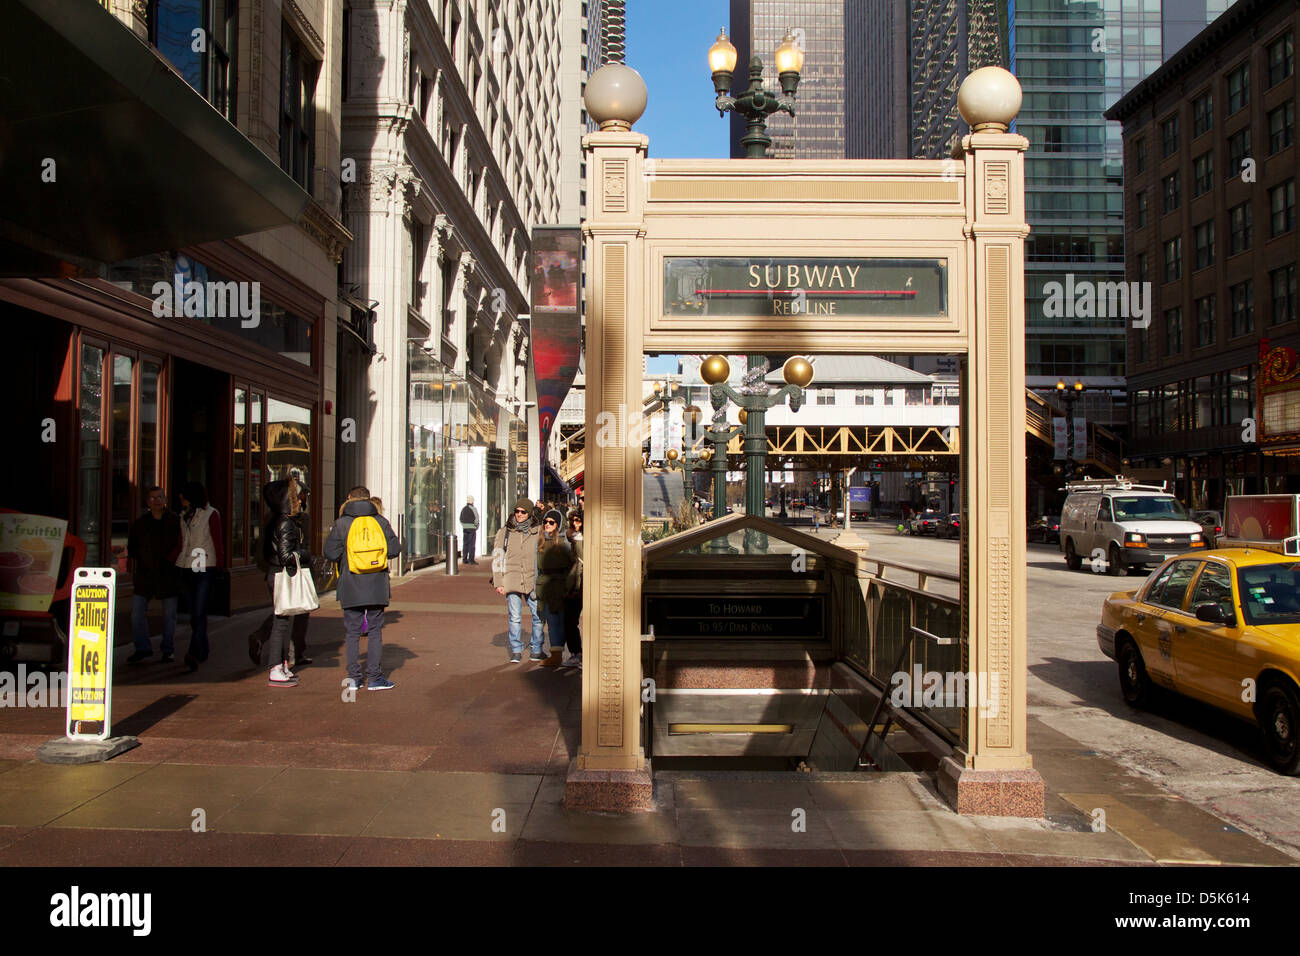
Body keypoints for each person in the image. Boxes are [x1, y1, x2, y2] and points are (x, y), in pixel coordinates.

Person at [324, 486, 402, 691]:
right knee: (375, 630)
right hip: (377, 584)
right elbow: (394, 550)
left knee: (352, 632)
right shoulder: (380, 521)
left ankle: (353, 678)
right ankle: (375, 678)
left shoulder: (342, 523)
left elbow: (330, 553)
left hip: (350, 583)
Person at [260, 477, 311, 686]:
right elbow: (285, 555)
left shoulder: (277, 519)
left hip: (277, 573)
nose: (299, 501)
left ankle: (281, 665)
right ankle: (275, 666)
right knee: (281, 622)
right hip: (281, 574)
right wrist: (305, 555)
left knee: (282, 620)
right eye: (295, 498)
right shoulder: (285, 522)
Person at [127, 486, 182, 664]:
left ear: (165, 499)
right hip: (145, 574)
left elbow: (181, 545)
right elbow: (133, 546)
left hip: (168, 574)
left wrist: (171, 561)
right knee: (136, 613)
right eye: (152, 498)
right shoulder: (140, 523)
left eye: (159, 497)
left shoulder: (175, 521)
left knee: (169, 615)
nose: (157, 501)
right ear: (147, 502)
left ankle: (168, 650)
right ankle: (142, 648)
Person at [175, 481, 224, 672]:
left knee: (198, 611)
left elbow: (217, 541)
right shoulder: (183, 515)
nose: (180, 498)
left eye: (183, 495)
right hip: (185, 565)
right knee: (194, 613)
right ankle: (202, 647)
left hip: (203, 565)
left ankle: (193, 652)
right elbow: (181, 542)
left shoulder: (211, 514)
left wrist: (220, 567)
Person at [492, 497, 545, 663]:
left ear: (530, 513)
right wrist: (498, 582)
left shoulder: (538, 531)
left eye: (523, 512)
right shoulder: (505, 532)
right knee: (514, 617)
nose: (520, 514)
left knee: (539, 616)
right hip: (512, 579)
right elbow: (498, 557)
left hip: (532, 579)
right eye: (517, 511)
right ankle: (516, 649)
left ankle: (536, 649)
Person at [535, 508, 573, 667]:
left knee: (559, 621)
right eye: (545, 522)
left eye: (551, 522)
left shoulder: (564, 544)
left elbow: (571, 566)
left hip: (559, 586)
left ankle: (561, 654)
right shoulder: (539, 542)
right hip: (544, 586)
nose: (547, 525)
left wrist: (569, 586)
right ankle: (556, 654)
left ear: (558, 525)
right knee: (550, 620)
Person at [561, 509, 583, 669]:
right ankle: (576, 653)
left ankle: (579, 654)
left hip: (581, 585)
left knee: (571, 620)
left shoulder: (580, 538)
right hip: (572, 586)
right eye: (572, 521)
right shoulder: (568, 538)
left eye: (578, 521)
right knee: (569, 621)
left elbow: (581, 562)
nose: (575, 524)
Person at [459, 496, 480, 565]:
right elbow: (476, 519)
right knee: (472, 544)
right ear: (472, 501)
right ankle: (471, 560)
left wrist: (464, 525)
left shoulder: (463, 509)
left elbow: (460, 518)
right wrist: (476, 526)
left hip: (465, 528)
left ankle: (464, 559)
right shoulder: (473, 509)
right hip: (472, 528)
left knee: (465, 544)